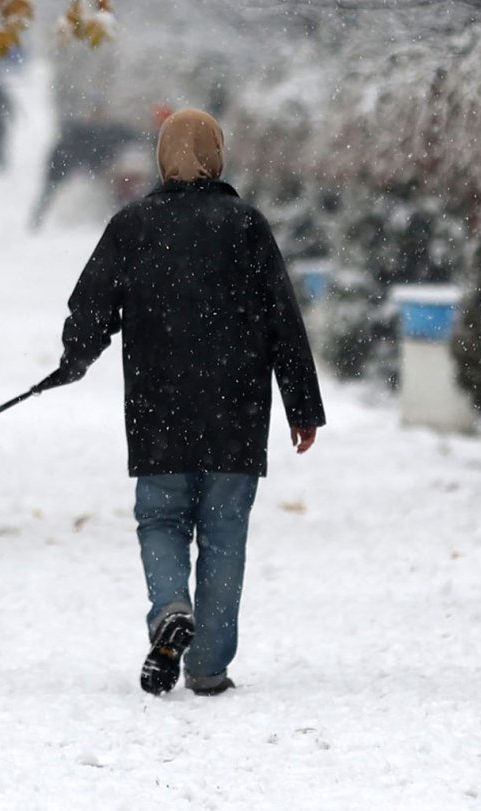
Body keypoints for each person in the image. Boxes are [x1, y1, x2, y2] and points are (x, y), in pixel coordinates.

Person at [34, 108, 325, 696]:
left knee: (161, 520)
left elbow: (91, 305)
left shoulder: (133, 225)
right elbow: (282, 321)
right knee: (224, 536)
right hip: (235, 416)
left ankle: (170, 606)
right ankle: (209, 666)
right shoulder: (245, 225)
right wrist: (302, 406)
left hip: (157, 411)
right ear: (216, 155)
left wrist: (75, 358)